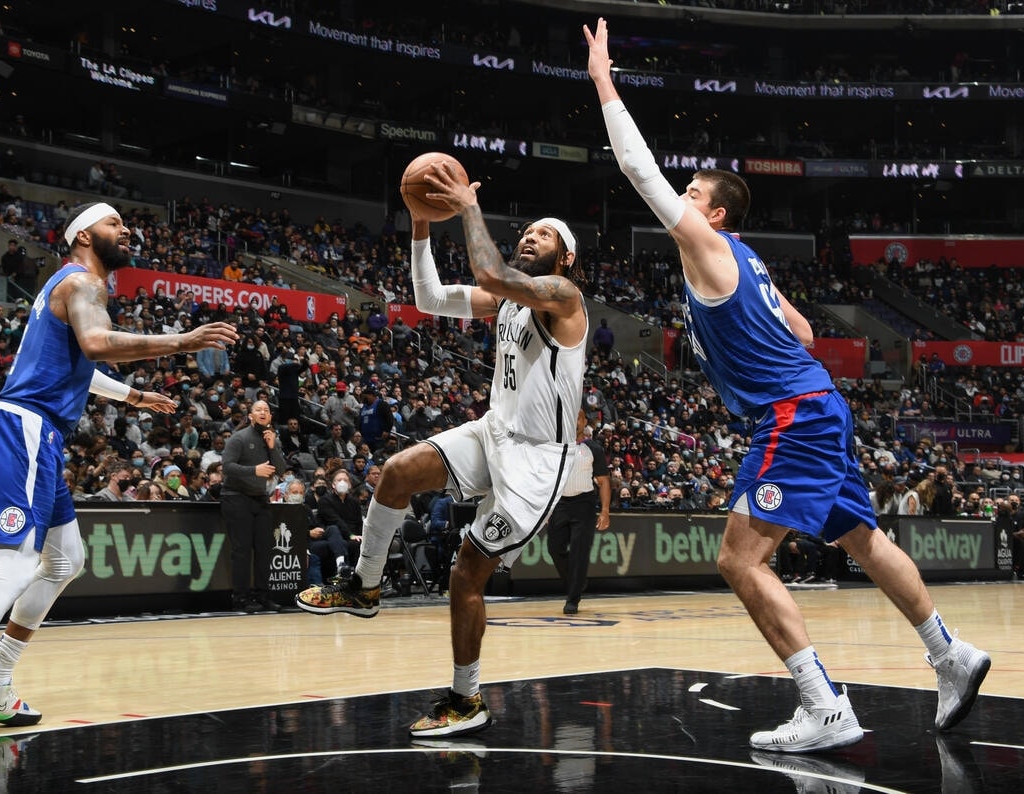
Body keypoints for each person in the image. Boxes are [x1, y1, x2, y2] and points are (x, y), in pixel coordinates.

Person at [585, 17, 989, 753]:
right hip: (819, 405)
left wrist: (604, 83)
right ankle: (949, 653)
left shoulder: (709, 246)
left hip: (791, 414)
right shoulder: (748, 259)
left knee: (738, 559)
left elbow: (639, 172)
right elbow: (800, 331)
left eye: (691, 193)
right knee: (862, 538)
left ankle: (822, 704)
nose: (679, 197)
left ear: (713, 214)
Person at [0, 202, 238, 756]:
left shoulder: (69, 287)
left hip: (38, 434)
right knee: (12, 568)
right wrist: (182, 341)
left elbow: (79, 363)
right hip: (24, 429)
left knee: (65, 561)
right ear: (83, 236)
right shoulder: (83, 281)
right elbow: (98, 344)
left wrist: (134, 395)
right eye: (113, 222)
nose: (126, 229)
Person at [296, 162, 588, 740]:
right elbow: (428, 297)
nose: (530, 236)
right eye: (526, 230)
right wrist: (420, 223)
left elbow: (489, 269)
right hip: (495, 432)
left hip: (536, 463)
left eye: (544, 234)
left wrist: (467, 205)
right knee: (397, 471)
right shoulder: (505, 301)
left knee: (466, 573)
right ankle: (364, 585)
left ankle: (465, 697)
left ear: (567, 256)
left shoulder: (564, 296)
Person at [220, 398, 287, 613]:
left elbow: (281, 469)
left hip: (260, 498)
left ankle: (263, 596)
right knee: (242, 551)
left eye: (266, 409)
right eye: (258, 409)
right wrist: (254, 470)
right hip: (236, 497)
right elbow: (226, 467)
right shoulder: (239, 438)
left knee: (264, 550)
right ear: (250, 416)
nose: (263, 412)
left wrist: (272, 447)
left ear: (270, 416)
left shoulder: (272, 439)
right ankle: (240, 598)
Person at [547, 410, 611, 615]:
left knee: (579, 553)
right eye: (571, 417)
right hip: (559, 503)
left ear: (584, 422)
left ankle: (572, 599)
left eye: (578, 418)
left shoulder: (594, 448)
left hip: (584, 504)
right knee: (554, 548)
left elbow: (603, 481)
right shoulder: (554, 447)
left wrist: (605, 511)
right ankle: (578, 581)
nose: (575, 422)